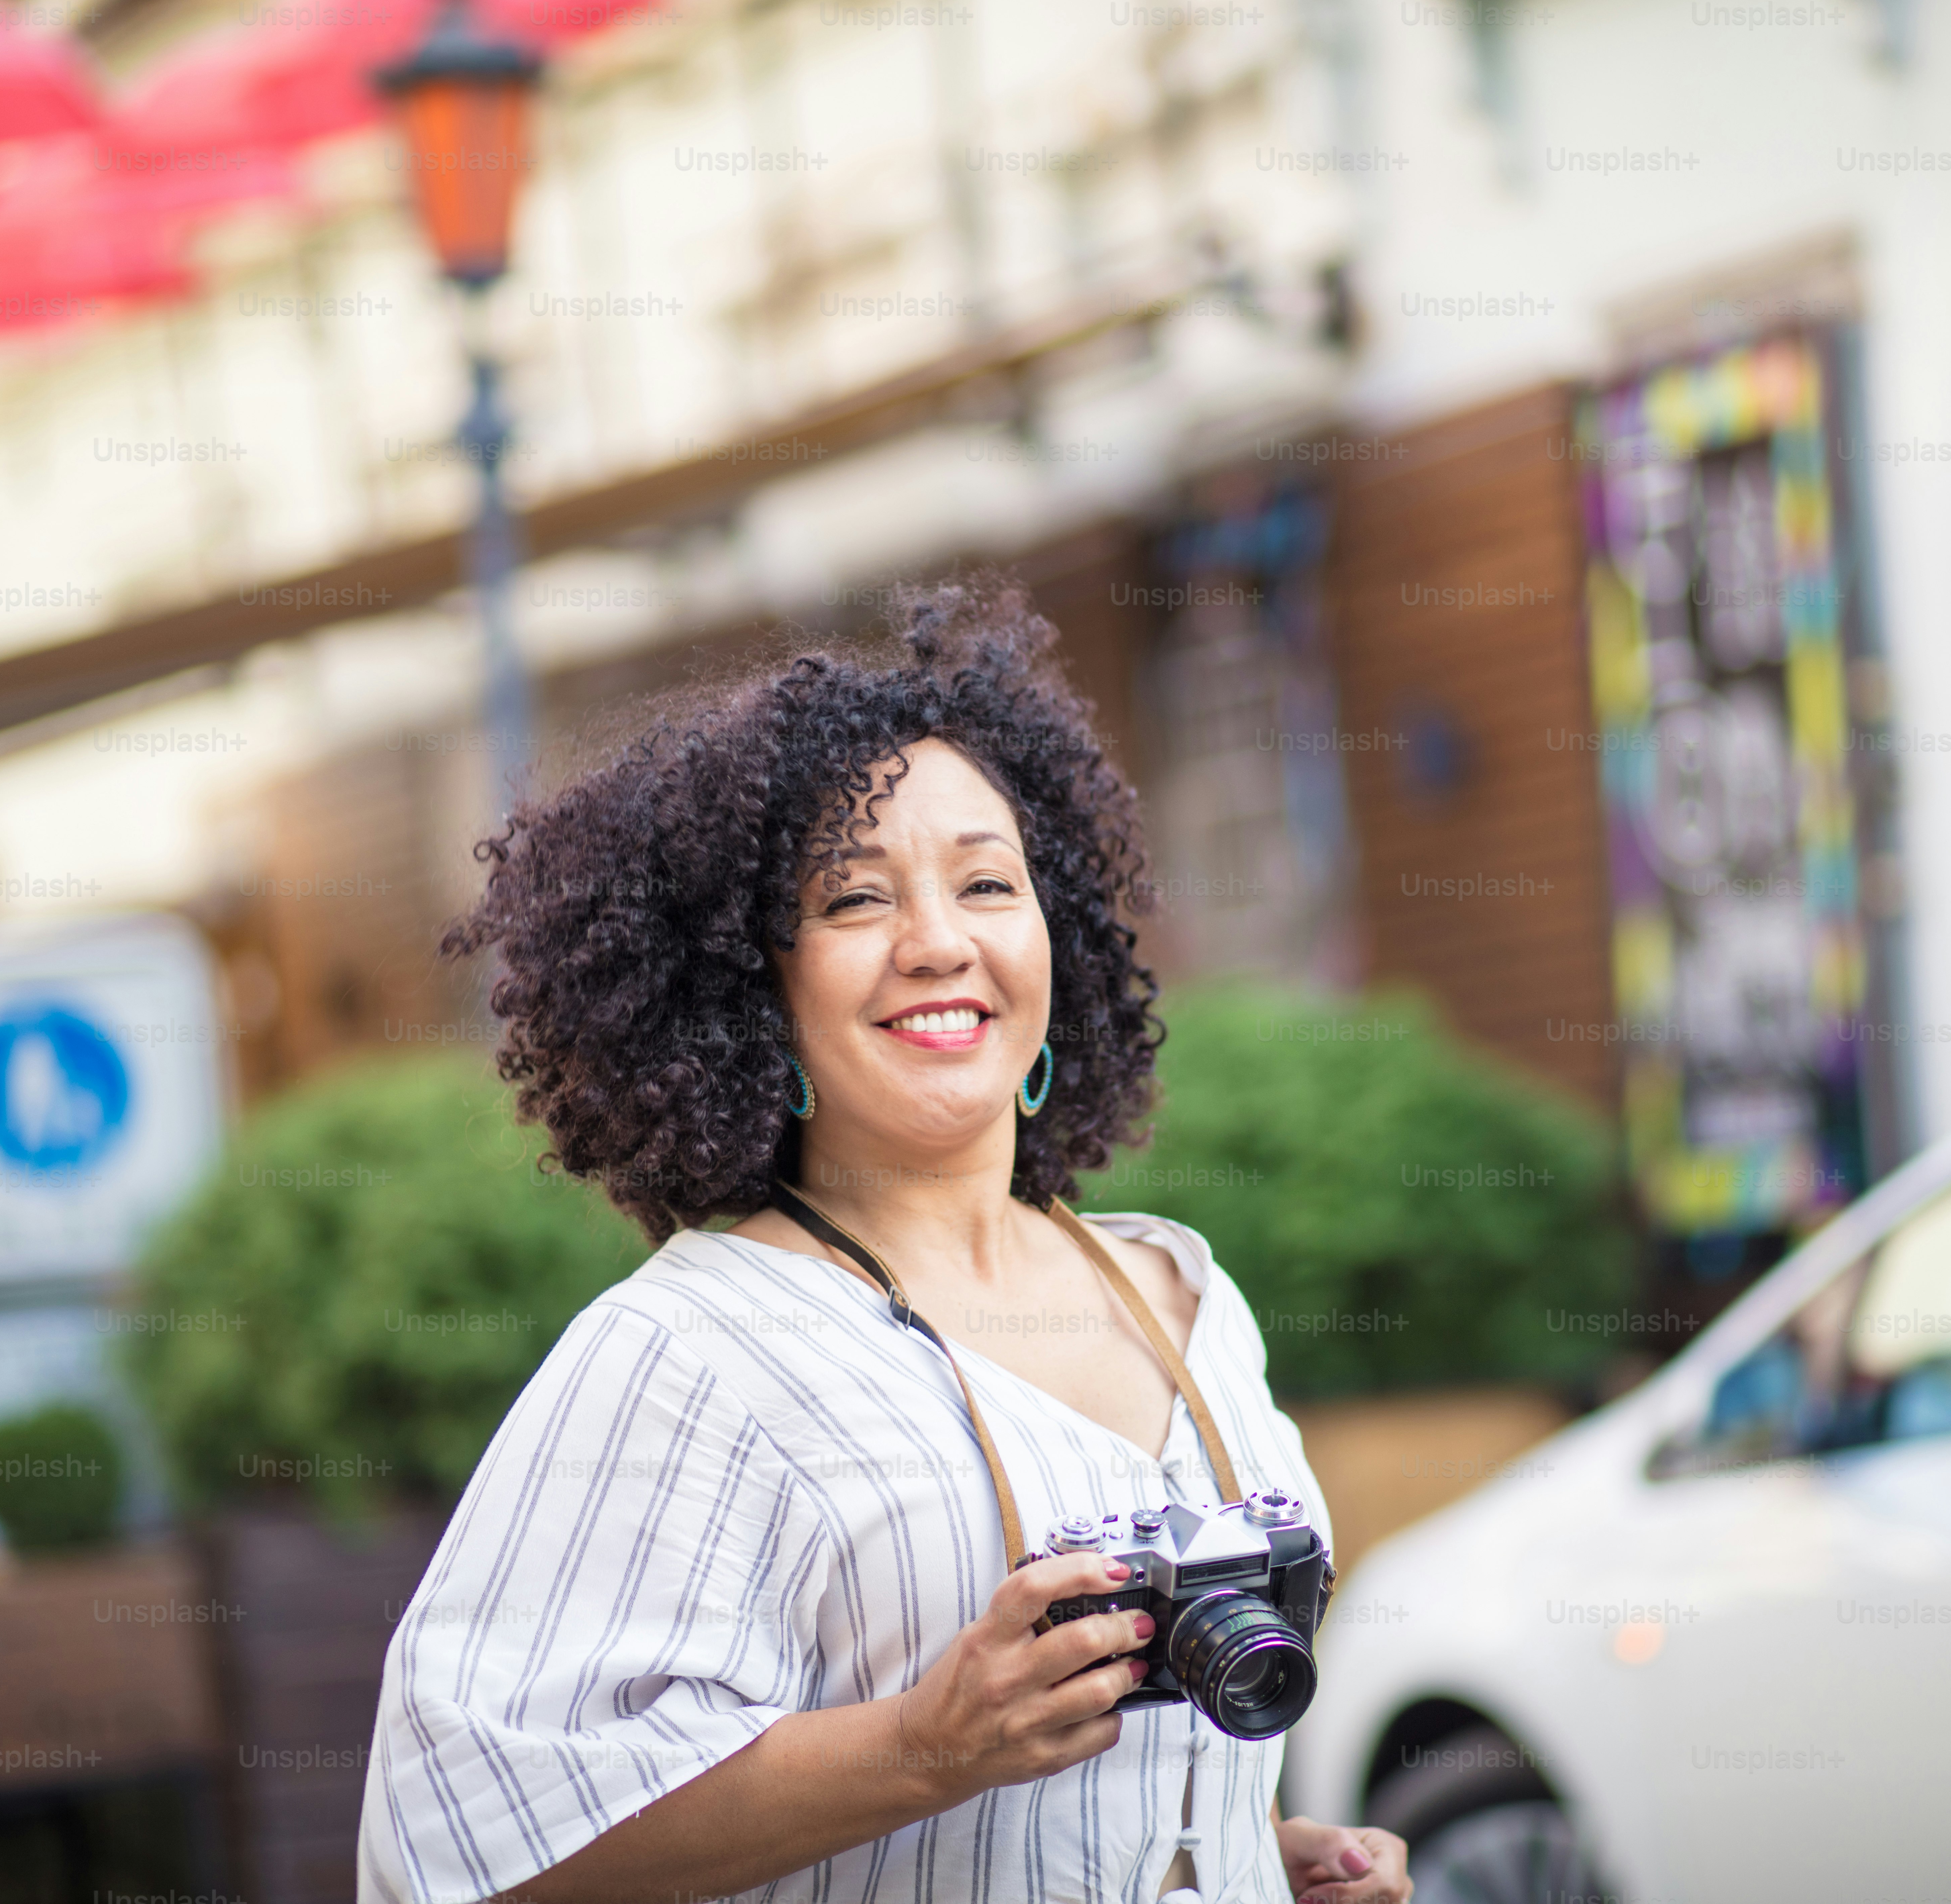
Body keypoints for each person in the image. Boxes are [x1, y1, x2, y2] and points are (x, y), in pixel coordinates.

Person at [357, 581, 1410, 1904]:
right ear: (753, 985)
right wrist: (921, 1749)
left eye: (986, 881)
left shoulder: (1181, 1295)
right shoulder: (687, 1353)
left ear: (1057, 941)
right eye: (855, 900)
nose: (938, 943)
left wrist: (1240, 1851)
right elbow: (461, 1836)